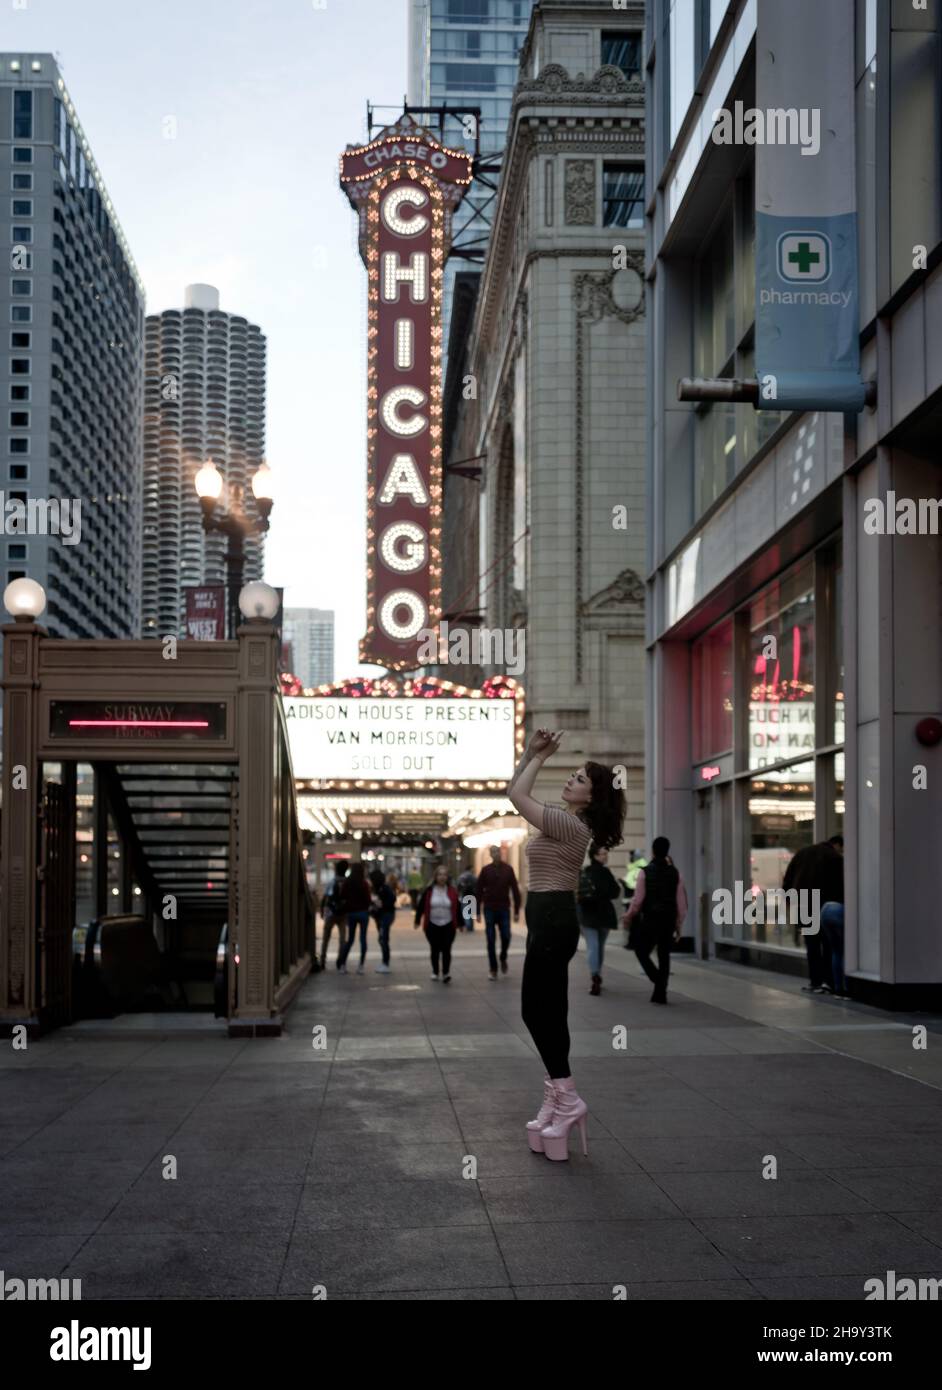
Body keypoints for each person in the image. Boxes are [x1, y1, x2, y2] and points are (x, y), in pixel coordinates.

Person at [508, 728, 625, 1162]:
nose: (570, 780)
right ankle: (560, 1096)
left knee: (540, 1010)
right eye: (572, 775)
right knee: (544, 1010)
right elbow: (515, 791)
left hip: (554, 919)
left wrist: (536, 757)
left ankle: (566, 1097)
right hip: (546, 920)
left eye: (578, 778)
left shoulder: (574, 825)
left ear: (591, 798)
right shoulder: (564, 818)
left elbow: (516, 797)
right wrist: (530, 752)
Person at [623, 837, 688, 1004]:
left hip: (650, 920)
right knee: (664, 955)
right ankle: (661, 992)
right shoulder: (676, 873)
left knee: (641, 951)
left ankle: (658, 982)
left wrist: (629, 916)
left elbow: (637, 901)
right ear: (667, 851)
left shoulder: (644, 872)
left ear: (653, 851)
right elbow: (681, 903)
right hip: (668, 920)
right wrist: (679, 923)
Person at [785, 837, 843, 995]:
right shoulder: (834, 857)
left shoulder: (802, 853)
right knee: (828, 945)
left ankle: (814, 981)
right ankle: (828, 982)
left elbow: (788, 878)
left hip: (803, 904)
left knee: (812, 945)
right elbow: (840, 884)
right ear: (837, 845)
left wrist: (789, 899)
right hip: (824, 905)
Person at [577, 846, 622, 995]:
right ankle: (597, 974)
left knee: (592, 946)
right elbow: (615, 892)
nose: (606, 856)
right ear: (595, 856)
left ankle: (595, 976)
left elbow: (579, 894)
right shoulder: (606, 873)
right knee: (599, 947)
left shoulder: (586, 872)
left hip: (589, 914)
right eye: (603, 854)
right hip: (604, 915)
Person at [476, 844, 521, 980]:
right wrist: (475, 912)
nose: (496, 854)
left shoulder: (508, 869)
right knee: (490, 939)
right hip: (489, 908)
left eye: (498, 851)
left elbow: (515, 890)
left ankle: (503, 957)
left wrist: (517, 910)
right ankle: (493, 968)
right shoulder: (485, 870)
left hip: (504, 909)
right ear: (490, 854)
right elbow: (477, 891)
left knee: (506, 936)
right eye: (493, 852)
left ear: (500, 853)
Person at [414, 864, 459, 982]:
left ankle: (446, 972)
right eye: (440, 875)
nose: (442, 877)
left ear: (447, 877)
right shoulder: (429, 891)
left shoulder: (452, 891)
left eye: (444, 875)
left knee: (446, 949)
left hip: (448, 924)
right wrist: (417, 920)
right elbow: (421, 907)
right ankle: (435, 971)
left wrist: (462, 923)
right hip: (432, 924)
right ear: (435, 877)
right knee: (434, 948)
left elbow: (457, 907)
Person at [820, 836, 846, 998]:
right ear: (837, 845)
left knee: (836, 950)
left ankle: (836, 987)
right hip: (839, 908)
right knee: (845, 951)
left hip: (825, 908)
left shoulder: (814, 857)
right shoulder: (838, 860)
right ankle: (845, 988)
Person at [337, 861, 371, 975]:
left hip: (351, 913)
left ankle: (343, 965)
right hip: (363, 913)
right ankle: (361, 966)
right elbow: (368, 899)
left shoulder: (347, 883)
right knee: (363, 939)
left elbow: (342, 896)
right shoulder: (364, 883)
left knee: (350, 940)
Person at [319, 859, 348, 972]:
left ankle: (322, 960)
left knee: (326, 938)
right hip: (343, 914)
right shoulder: (347, 883)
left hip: (331, 914)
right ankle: (340, 961)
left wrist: (322, 910)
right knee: (342, 939)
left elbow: (325, 897)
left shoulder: (332, 882)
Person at [368, 867, 396, 974]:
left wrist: (382, 904)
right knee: (382, 939)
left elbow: (392, 899)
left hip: (386, 916)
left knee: (383, 939)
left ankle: (385, 962)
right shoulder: (376, 889)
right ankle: (385, 961)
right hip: (380, 917)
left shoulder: (384, 888)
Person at [456, 864, 478, 932]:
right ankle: (470, 927)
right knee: (471, 913)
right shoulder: (473, 876)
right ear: (470, 868)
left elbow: (458, 886)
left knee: (466, 912)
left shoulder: (461, 876)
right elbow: (477, 885)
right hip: (472, 895)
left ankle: (468, 926)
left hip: (464, 895)